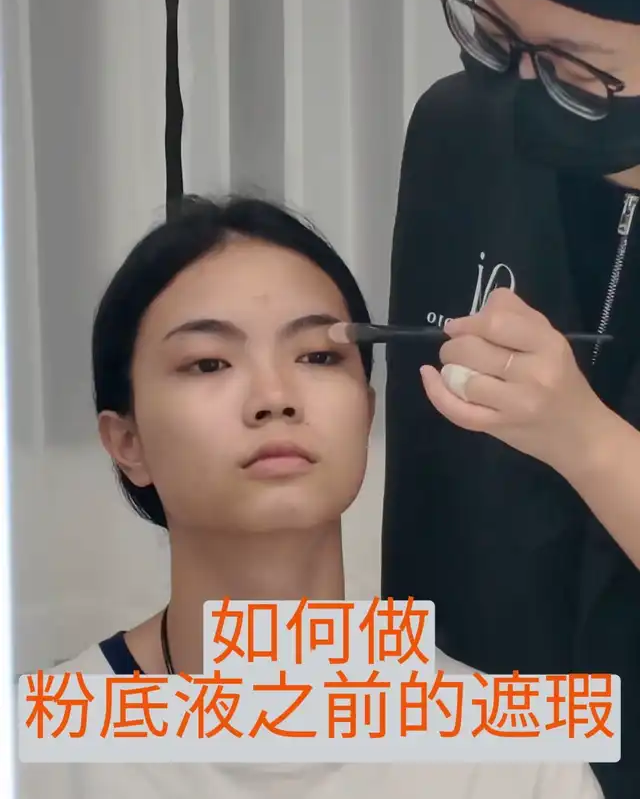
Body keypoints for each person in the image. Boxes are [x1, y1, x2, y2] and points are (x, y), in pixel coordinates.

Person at [19, 196, 601, 798]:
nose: (275, 397)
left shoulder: (517, 760)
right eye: (209, 363)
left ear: (367, 413)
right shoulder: (36, 754)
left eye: (318, 356)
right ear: (128, 442)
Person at [382, 0, 640, 798]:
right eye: (491, 31)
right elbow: (432, 489)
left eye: (575, 66)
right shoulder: (459, 129)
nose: (519, 86)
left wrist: (587, 441)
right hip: (475, 722)